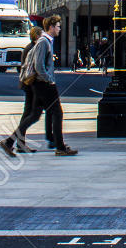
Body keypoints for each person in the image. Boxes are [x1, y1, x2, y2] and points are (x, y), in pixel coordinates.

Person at [5, 16, 77, 157]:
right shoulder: (44, 42)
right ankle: (60, 147)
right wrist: (48, 79)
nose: (59, 29)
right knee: (57, 113)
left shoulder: (45, 41)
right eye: (58, 26)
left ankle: (9, 142)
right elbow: (39, 65)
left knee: (34, 115)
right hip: (44, 84)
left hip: (39, 84)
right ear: (51, 27)